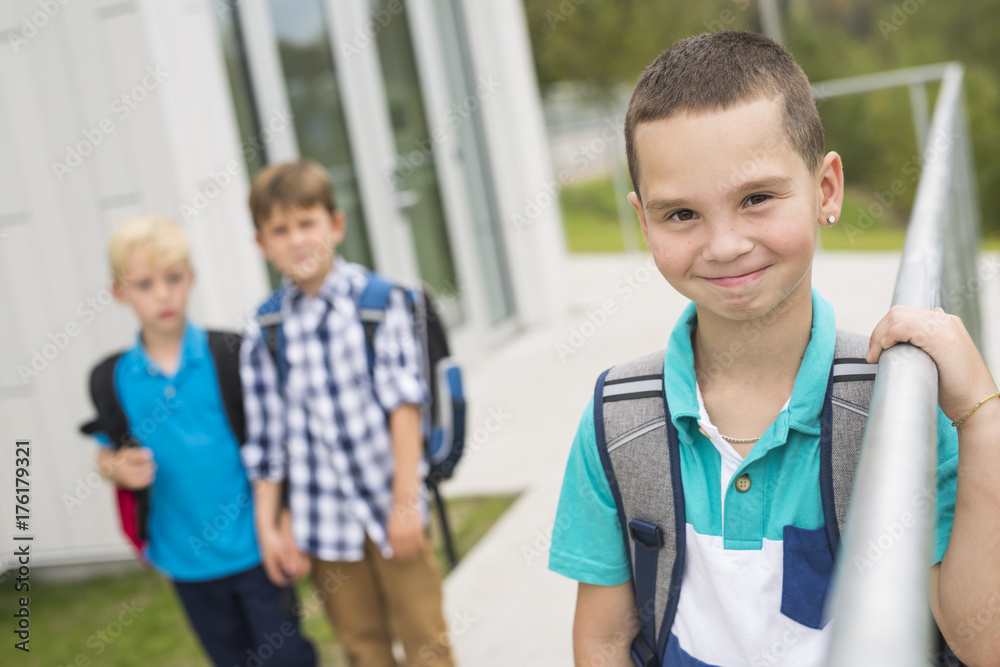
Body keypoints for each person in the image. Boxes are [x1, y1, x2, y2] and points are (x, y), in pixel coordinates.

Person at [548, 30, 1000, 666]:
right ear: (643, 221)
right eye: (681, 214)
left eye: (756, 198)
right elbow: (601, 639)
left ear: (826, 189)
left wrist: (982, 418)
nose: (725, 244)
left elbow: (982, 643)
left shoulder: (900, 407)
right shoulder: (617, 422)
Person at [240, 159, 455, 667]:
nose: (296, 240)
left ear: (335, 225)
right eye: (279, 230)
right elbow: (267, 440)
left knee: (426, 643)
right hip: (324, 523)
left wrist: (406, 502)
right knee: (362, 648)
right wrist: (270, 526)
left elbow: (405, 406)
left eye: (306, 223)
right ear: (262, 244)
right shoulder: (265, 327)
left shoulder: (381, 304)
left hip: (391, 508)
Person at [84, 216, 317, 666]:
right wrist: (113, 467)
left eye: (173, 279)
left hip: (256, 547)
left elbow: (274, 445)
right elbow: (105, 451)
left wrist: (283, 524)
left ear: (191, 278)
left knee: (286, 658)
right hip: (184, 558)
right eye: (144, 284)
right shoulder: (111, 378)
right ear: (119, 292)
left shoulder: (233, 353)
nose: (163, 294)